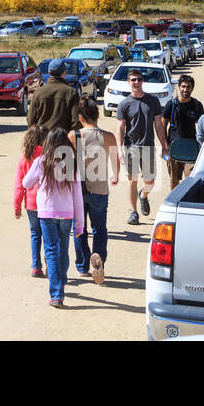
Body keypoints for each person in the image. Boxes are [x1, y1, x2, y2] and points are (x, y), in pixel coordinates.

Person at [21, 127, 85, 307]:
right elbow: (77, 197)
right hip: (67, 215)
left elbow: (26, 182)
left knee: (51, 250)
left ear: (47, 145)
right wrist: (79, 225)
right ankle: (61, 281)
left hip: (46, 213)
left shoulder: (41, 162)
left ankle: (57, 293)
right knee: (63, 248)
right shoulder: (71, 164)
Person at [69, 97, 118, 284]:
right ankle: (99, 260)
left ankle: (82, 265)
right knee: (99, 228)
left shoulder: (73, 136)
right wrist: (114, 176)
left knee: (79, 228)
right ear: (97, 116)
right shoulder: (108, 136)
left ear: (81, 118)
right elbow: (116, 162)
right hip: (100, 188)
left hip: (79, 190)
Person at [115, 68, 165, 225]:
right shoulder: (124, 104)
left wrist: (164, 145)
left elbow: (158, 124)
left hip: (148, 146)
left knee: (150, 181)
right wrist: (119, 149)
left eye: (139, 79)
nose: (136, 82)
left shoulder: (153, 101)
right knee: (132, 180)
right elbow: (120, 128)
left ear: (143, 81)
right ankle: (133, 212)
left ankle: (143, 195)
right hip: (131, 147)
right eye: (133, 79)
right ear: (129, 82)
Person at [13, 125, 46, 278]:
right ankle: (49, 264)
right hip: (47, 203)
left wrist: (17, 206)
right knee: (48, 235)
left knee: (35, 234)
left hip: (31, 204)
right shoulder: (48, 156)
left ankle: (36, 266)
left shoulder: (25, 159)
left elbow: (19, 185)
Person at [162, 75, 204, 189]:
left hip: (191, 149)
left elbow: (202, 127)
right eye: (183, 86)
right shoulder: (171, 105)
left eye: (188, 87)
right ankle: (174, 204)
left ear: (192, 88)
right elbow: (162, 125)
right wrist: (165, 146)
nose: (185, 89)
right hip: (174, 148)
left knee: (190, 180)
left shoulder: (197, 105)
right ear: (179, 87)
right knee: (174, 181)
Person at [27, 58, 81, 133]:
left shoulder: (38, 92)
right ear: (64, 72)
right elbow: (76, 122)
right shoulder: (71, 92)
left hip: (43, 140)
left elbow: (30, 120)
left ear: (49, 73)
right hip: (63, 139)